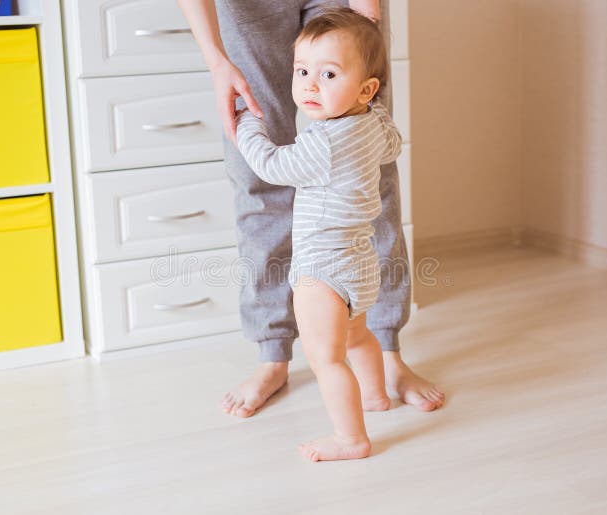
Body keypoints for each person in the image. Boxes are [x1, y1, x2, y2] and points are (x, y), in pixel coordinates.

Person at [177, 0, 444, 419]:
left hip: (319, 271)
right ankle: (274, 355)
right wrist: (217, 63)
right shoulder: (355, 133)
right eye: (302, 72)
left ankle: (382, 364)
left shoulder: (323, 145)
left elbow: (269, 161)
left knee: (372, 173)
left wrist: (247, 124)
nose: (310, 83)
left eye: (323, 76)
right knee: (267, 184)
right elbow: (385, 139)